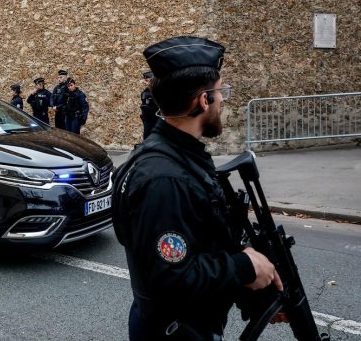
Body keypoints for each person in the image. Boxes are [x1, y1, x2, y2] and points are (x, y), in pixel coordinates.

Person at [112, 36, 282, 341]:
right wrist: (242, 268)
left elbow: (199, 238)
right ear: (204, 100)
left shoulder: (177, 156)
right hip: (175, 332)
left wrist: (250, 271)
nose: (223, 101)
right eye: (221, 92)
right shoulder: (165, 179)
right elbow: (170, 278)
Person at [140, 70, 159, 140]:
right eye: (145, 80)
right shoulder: (144, 93)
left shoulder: (158, 93)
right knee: (146, 137)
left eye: (147, 80)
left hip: (157, 120)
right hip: (147, 120)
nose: (144, 83)